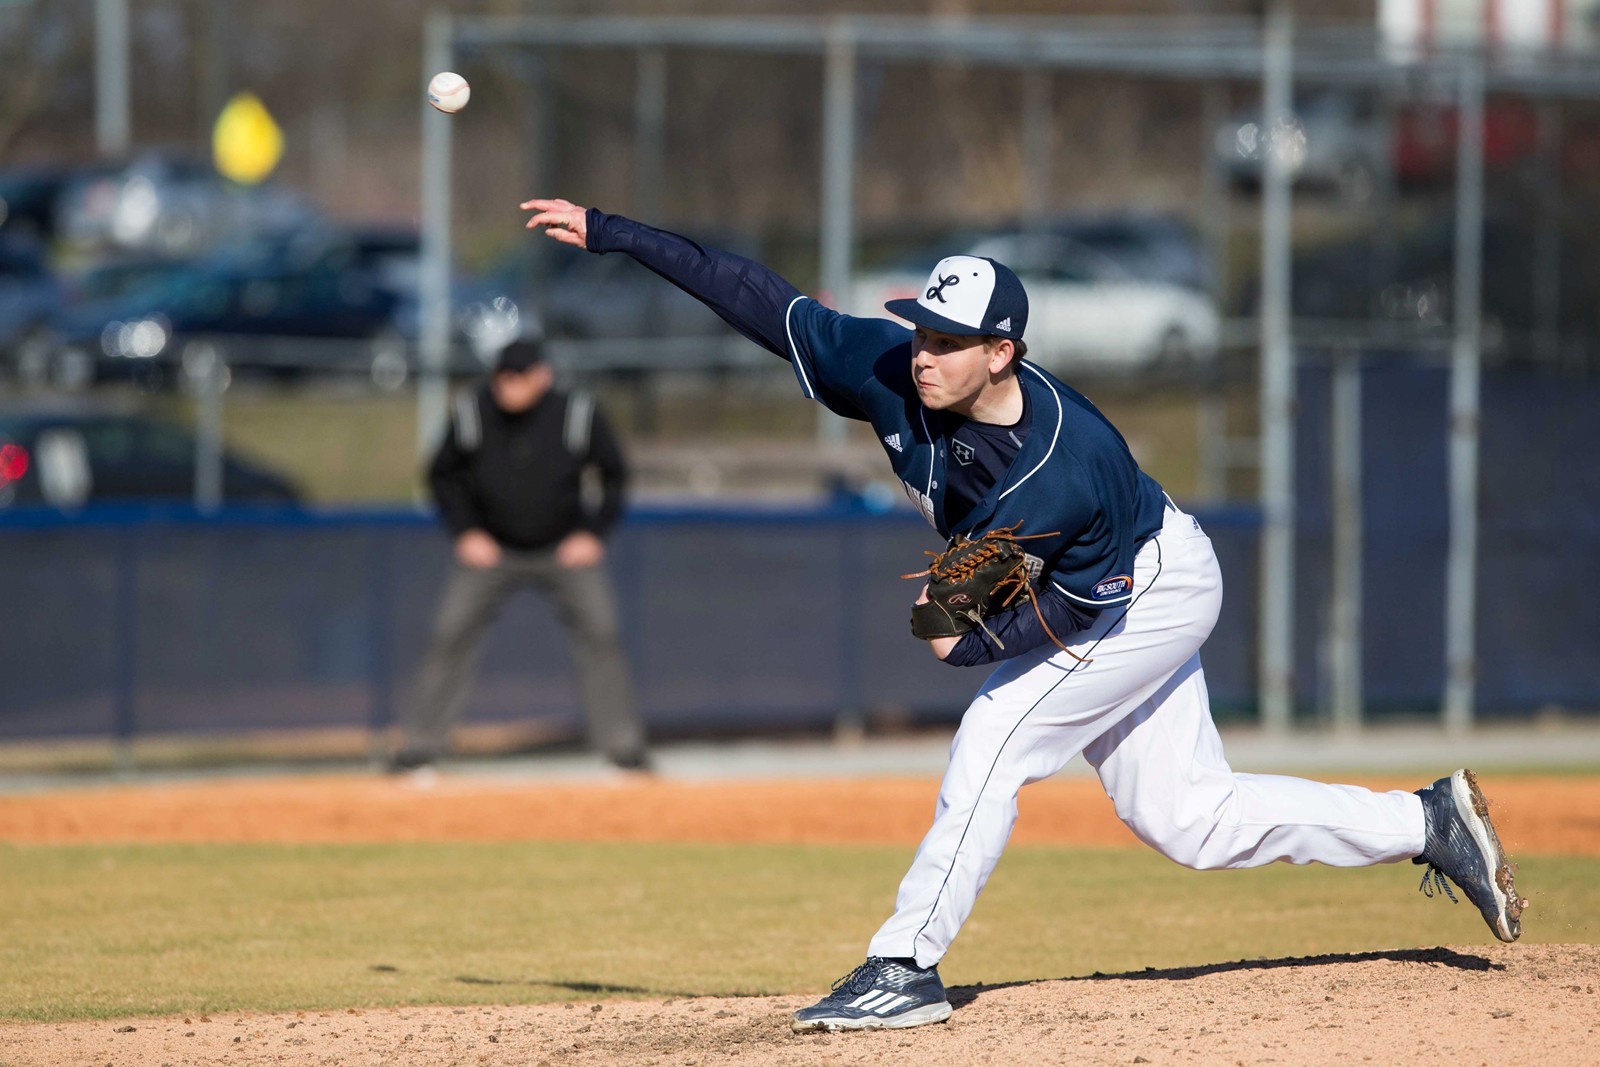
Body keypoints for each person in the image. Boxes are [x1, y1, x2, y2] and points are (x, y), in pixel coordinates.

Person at [519, 198, 1524, 1033]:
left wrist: (948, 616)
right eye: (922, 327)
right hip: (1103, 573)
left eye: (950, 341)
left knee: (997, 733)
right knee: (1188, 818)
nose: (925, 352)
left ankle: (905, 963)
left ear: (1001, 351)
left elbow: (979, 639)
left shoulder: (1056, 468)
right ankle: (1425, 819)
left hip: (1142, 585)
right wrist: (614, 231)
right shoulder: (886, 371)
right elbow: (758, 297)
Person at [391, 337, 651, 776]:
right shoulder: (475, 413)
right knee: (449, 633)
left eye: (519, 376)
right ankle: (420, 748)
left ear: (542, 377)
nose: (509, 385)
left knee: (602, 632)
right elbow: (442, 475)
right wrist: (466, 530)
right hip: (493, 548)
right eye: (503, 376)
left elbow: (614, 475)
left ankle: (622, 748)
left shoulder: (576, 413)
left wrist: (592, 532)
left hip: (562, 547)